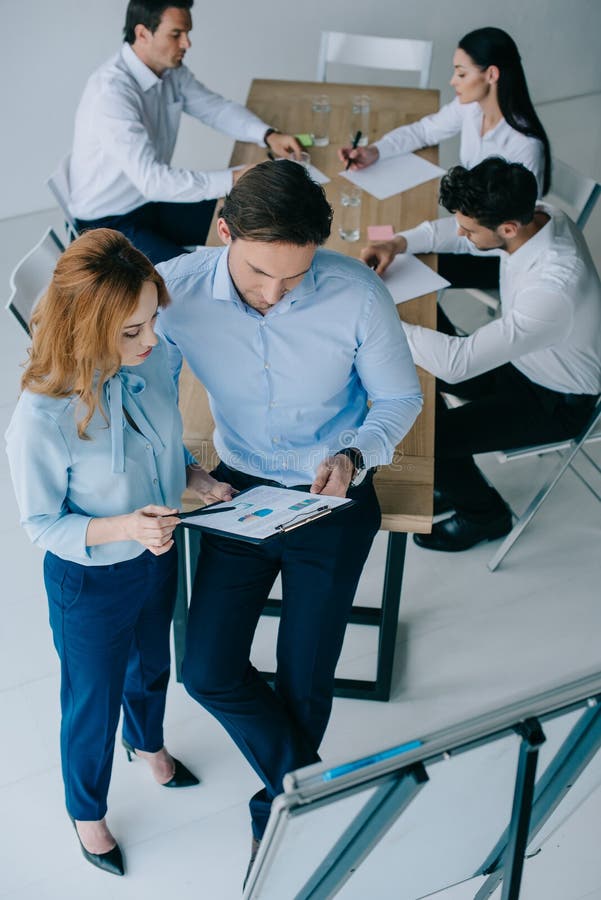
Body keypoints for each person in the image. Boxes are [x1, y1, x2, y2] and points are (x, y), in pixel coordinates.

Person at [154, 160, 423, 880]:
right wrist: (180, 465)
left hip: (333, 491)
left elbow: (400, 400)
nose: (273, 295)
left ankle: (275, 809)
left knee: (306, 676)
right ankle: (305, 790)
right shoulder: (174, 291)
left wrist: (356, 455)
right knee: (205, 671)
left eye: (293, 280)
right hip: (236, 487)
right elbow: (144, 392)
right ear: (223, 231)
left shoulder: (357, 292)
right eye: (255, 278)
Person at [5, 230, 226, 875]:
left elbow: (162, 443)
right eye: (131, 331)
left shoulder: (152, 361)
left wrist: (190, 476)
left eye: (152, 319)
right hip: (89, 579)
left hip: (156, 550)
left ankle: (149, 742)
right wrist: (126, 527)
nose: (151, 340)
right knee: (90, 701)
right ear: (86, 328)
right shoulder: (40, 418)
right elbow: (43, 524)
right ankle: (87, 811)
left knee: (152, 661)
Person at [361, 157, 601, 552]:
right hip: (524, 362)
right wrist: (397, 242)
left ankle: (485, 515)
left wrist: (378, 320)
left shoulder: (553, 287)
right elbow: (458, 235)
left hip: (554, 400)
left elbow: (459, 363)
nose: (461, 232)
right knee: (421, 367)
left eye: (469, 228)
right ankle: (453, 479)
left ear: (507, 228)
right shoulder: (539, 216)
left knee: (428, 440)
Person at [68, 0, 302, 264]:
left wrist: (268, 134)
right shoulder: (111, 93)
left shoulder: (170, 72)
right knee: (195, 279)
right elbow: (154, 180)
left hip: (149, 203)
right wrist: (234, 178)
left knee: (248, 219)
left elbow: (216, 109)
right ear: (143, 33)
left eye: (187, 33)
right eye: (176, 34)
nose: (187, 44)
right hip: (107, 223)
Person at [342, 26, 552, 290]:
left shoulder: (525, 147)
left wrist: (419, 238)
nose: (453, 81)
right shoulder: (471, 108)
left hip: (491, 249)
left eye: (461, 73)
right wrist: (375, 151)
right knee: (399, 249)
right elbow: (424, 130)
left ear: (491, 74)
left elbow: (507, 232)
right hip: (468, 226)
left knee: (402, 272)